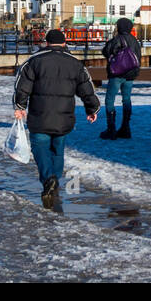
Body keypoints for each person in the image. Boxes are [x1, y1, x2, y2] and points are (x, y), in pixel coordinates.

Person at [13, 30, 100, 210]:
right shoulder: (75, 64)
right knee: (58, 150)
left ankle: (48, 179)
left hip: (40, 114)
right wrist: (92, 108)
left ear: (47, 42)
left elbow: (22, 86)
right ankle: (55, 181)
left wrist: (19, 106)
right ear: (64, 42)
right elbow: (86, 88)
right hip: (64, 116)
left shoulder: (34, 61)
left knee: (39, 147)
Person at [99, 17, 140, 140]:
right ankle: (125, 128)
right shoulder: (135, 41)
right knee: (126, 99)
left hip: (117, 74)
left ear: (119, 27)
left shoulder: (117, 39)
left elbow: (106, 51)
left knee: (110, 100)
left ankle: (111, 129)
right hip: (130, 74)